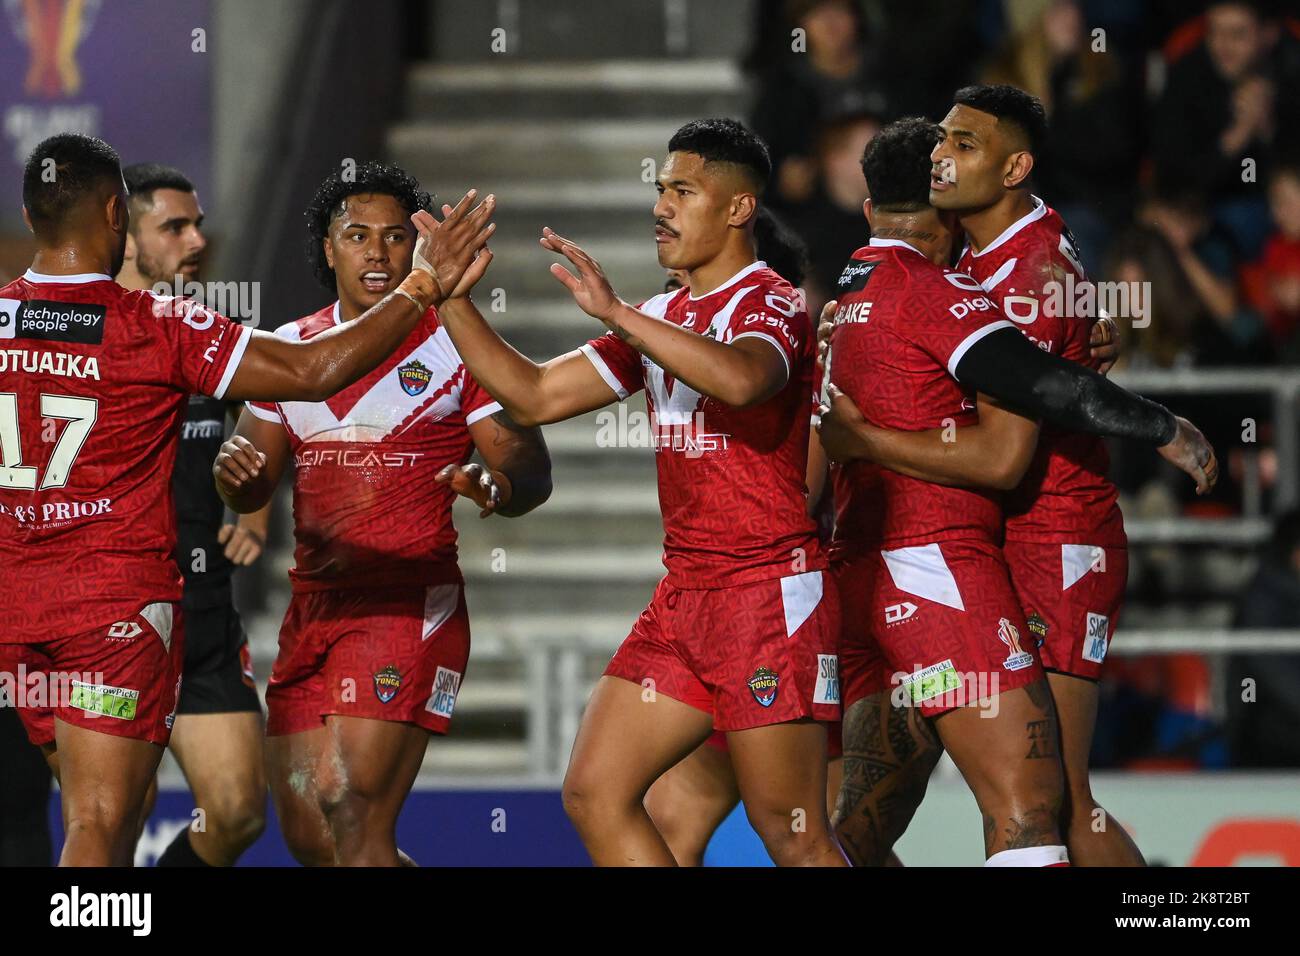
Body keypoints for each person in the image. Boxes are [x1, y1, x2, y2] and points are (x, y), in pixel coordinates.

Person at [0, 132, 489, 866]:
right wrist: (420, 288)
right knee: (99, 823)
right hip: (111, 613)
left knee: (115, 814)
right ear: (114, 216)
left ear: (33, 217)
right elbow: (312, 368)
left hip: (16, 606)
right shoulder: (155, 324)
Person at [420, 119, 845, 867]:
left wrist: (618, 314)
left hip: (768, 596)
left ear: (739, 208)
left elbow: (746, 381)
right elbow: (536, 392)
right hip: (687, 596)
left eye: (683, 190)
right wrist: (451, 301)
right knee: (594, 791)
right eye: (660, 190)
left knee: (794, 833)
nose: (662, 207)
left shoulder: (771, 300)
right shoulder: (659, 317)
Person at [816, 117, 1216, 866]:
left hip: (1053, 537)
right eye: (946, 155)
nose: (951, 162)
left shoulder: (988, 266)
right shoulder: (948, 276)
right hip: (956, 558)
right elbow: (1017, 418)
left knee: (1054, 804)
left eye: (963, 149)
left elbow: (1018, 423)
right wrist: (1143, 409)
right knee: (986, 814)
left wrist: (1090, 344)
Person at [213, 162, 552, 867]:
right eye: (357, 235)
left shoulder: (453, 341)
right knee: (315, 839)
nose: (377, 251)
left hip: (407, 604)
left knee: (353, 808)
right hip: (314, 612)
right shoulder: (292, 348)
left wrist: (499, 485)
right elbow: (249, 479)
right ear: (329, 249)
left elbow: (529, 467)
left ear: (418, 251)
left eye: (396, 237)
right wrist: (234, 476)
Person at [114, 162, 270, 867]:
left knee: (236, 812)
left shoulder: (214, 331)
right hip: (106, 616)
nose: (197, 239)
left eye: (199, 222)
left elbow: (274, 415)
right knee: (115, 814)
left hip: (202, 611)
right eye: (174, 226)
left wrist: (258, 504)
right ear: (122, 235)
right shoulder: (76, 335)